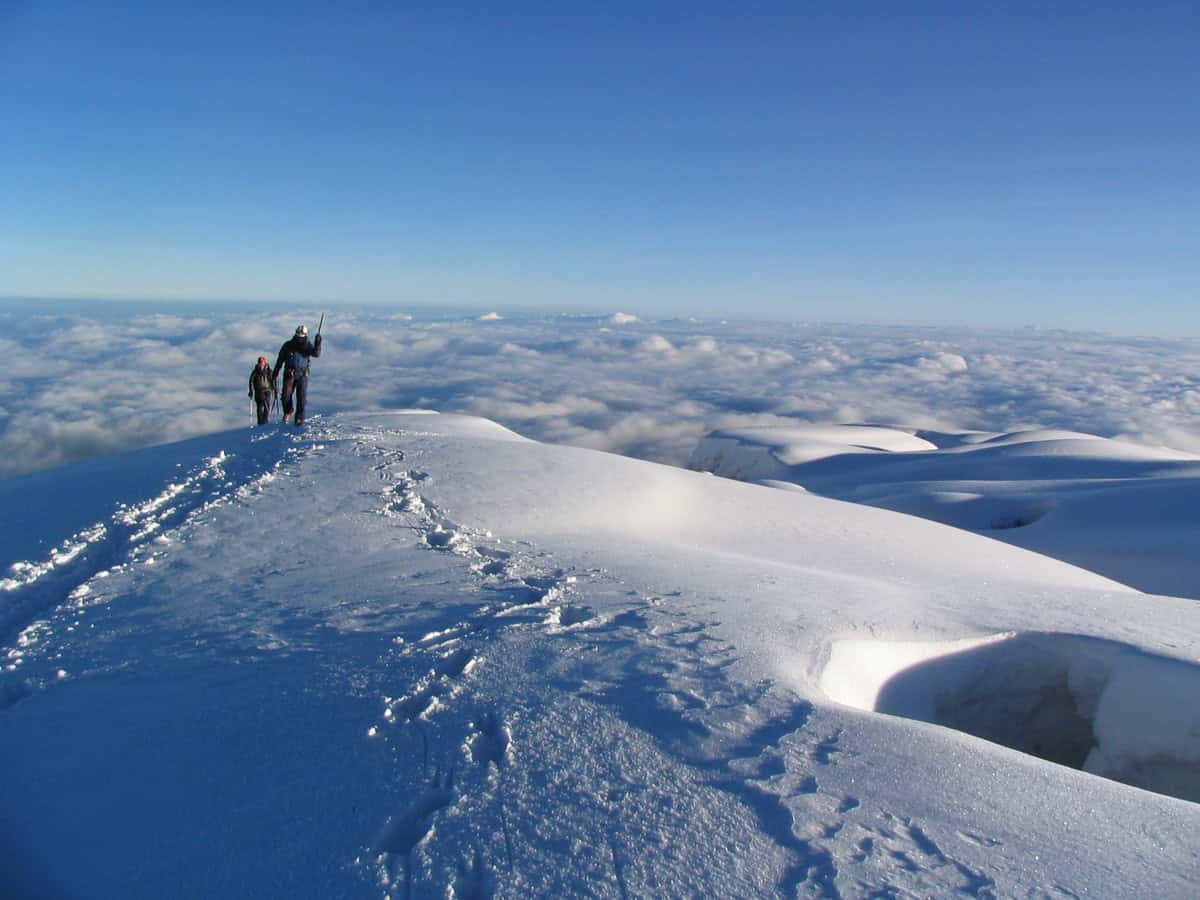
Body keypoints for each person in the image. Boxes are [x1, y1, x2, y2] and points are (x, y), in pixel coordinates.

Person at [272, 324, 322, 425]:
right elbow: (280, 359)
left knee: (301, 398)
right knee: (285, 396)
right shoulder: (288, 345)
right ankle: (288, 411)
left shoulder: (307, 346)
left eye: (301, 337)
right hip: (289, 373)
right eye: (298, 336)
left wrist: (318, 343)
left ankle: (299, 418)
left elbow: (316, 354)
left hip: (302, 374)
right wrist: (276, 371)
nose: (300, 339)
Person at [248, 356, 275, 425]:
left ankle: (264, 421)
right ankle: (260, 422)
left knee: (267, 406)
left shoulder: (269, 371)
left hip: (267, 390)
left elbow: (273, 380)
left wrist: (274, 388)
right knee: (260, 406)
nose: (261, 363)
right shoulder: (255, 372)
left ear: (265, 362)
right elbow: (251, 381)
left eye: (262, 362)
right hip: (259, 391)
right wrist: (251, 391)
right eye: (260, 362)